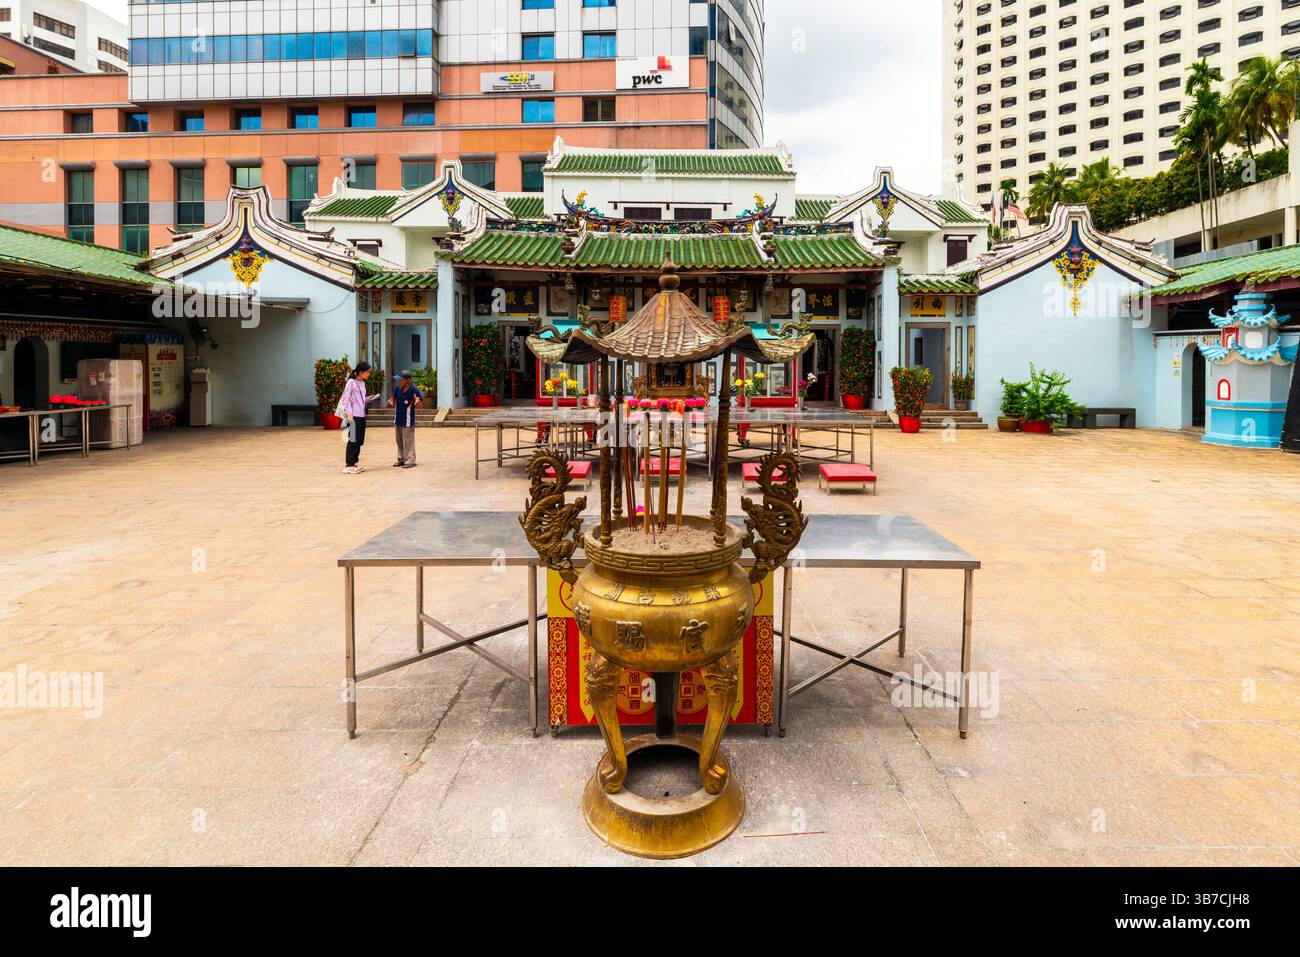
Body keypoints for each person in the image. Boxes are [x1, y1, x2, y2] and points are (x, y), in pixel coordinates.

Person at [340, 361, 380, 474]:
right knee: (353, 439)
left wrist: (368, 399)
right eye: (367, 372)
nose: (369, 374)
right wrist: (349, 414)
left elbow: (359, 399)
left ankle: (354, 462)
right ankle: (349, 465)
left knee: (359, 440)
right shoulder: (351, 382)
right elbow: (345, 399)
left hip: (361, 415)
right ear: (360, 372)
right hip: (353, 416)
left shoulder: (362, 383)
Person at [388, 370, 423, 468]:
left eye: (401, 380)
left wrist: (417, 401)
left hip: (408, 420)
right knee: (399, 440)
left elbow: (421, 405)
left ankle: (410, 460)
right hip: (398, 418)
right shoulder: (398, 388)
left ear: (407, 380)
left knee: (408, 440)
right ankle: (401, 459)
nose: (399, 381)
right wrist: (390, 400)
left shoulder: (414, 390)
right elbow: (392, 398)